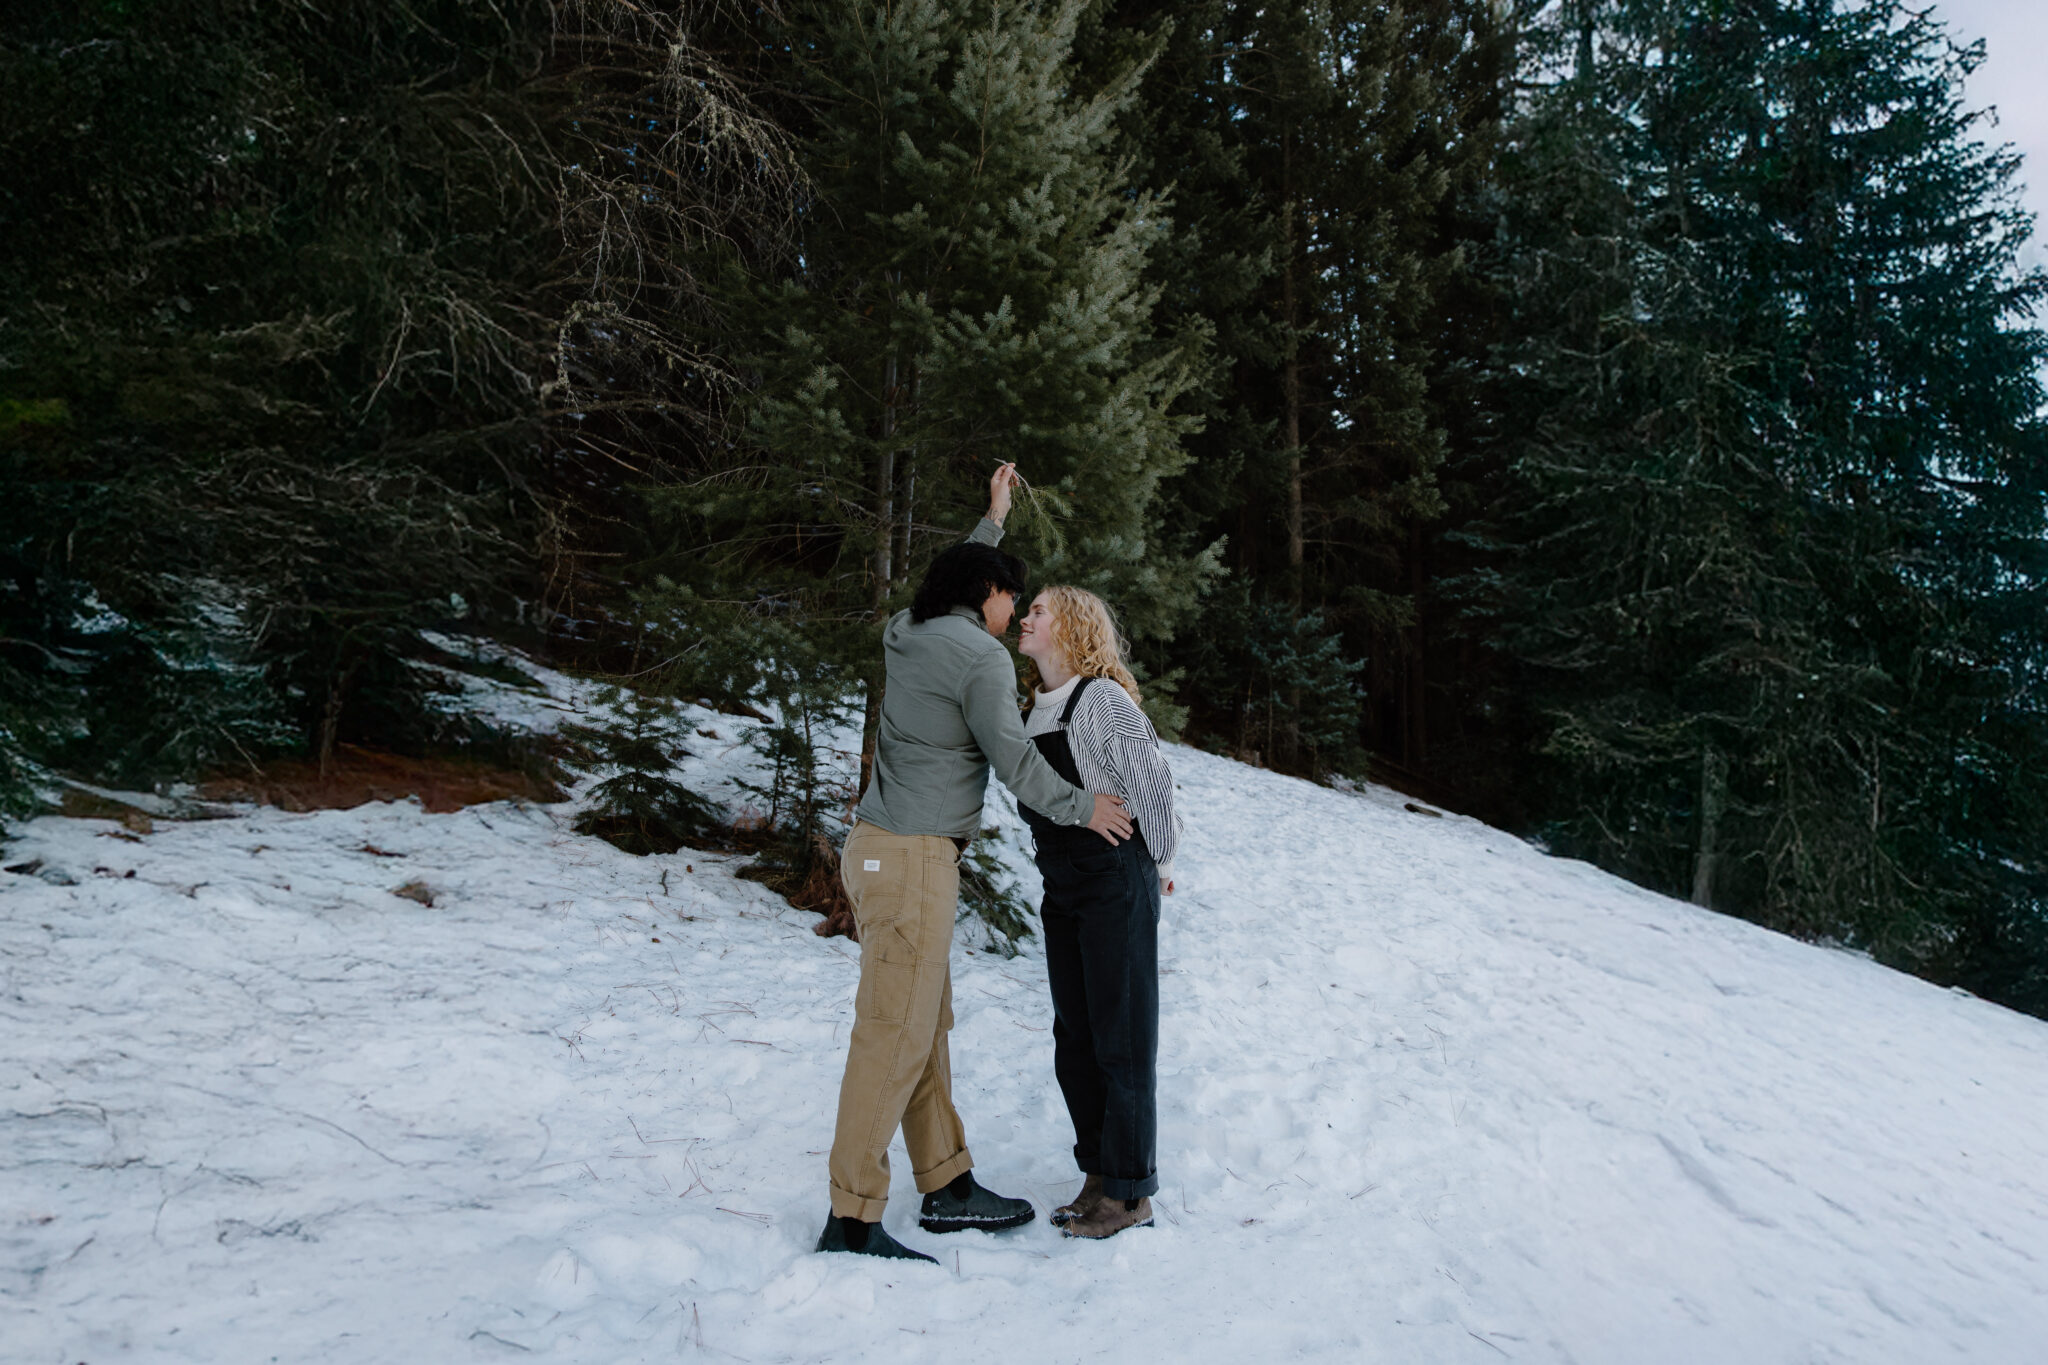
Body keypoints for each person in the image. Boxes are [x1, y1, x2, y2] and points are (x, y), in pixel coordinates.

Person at [817, 464, 1135, 1263]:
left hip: (876, 850)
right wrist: (1085, 806)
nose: (1012, 617)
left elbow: (953, 579)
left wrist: (991, 520)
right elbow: (1016, 763)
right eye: (1010, 599)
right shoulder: (982, 659)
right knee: (893, 1031)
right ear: (988, 593)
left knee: (922, 1023)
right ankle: (852, 1216)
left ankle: (947, 1182)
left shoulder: (907, 630)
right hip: (916, 855)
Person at [1013, 584, 1179, 1240]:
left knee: (1122, 1036)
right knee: (1074, 1038)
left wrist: (1160, 863)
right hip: (1063, 887)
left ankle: (1130, 1190)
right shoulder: (1033, 711)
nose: (1027, 617)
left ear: (1073, 625)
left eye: (1039, 611)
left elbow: (1154, 783)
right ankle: (1098, 1173)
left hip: (1116, 880)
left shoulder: (1100, 700)